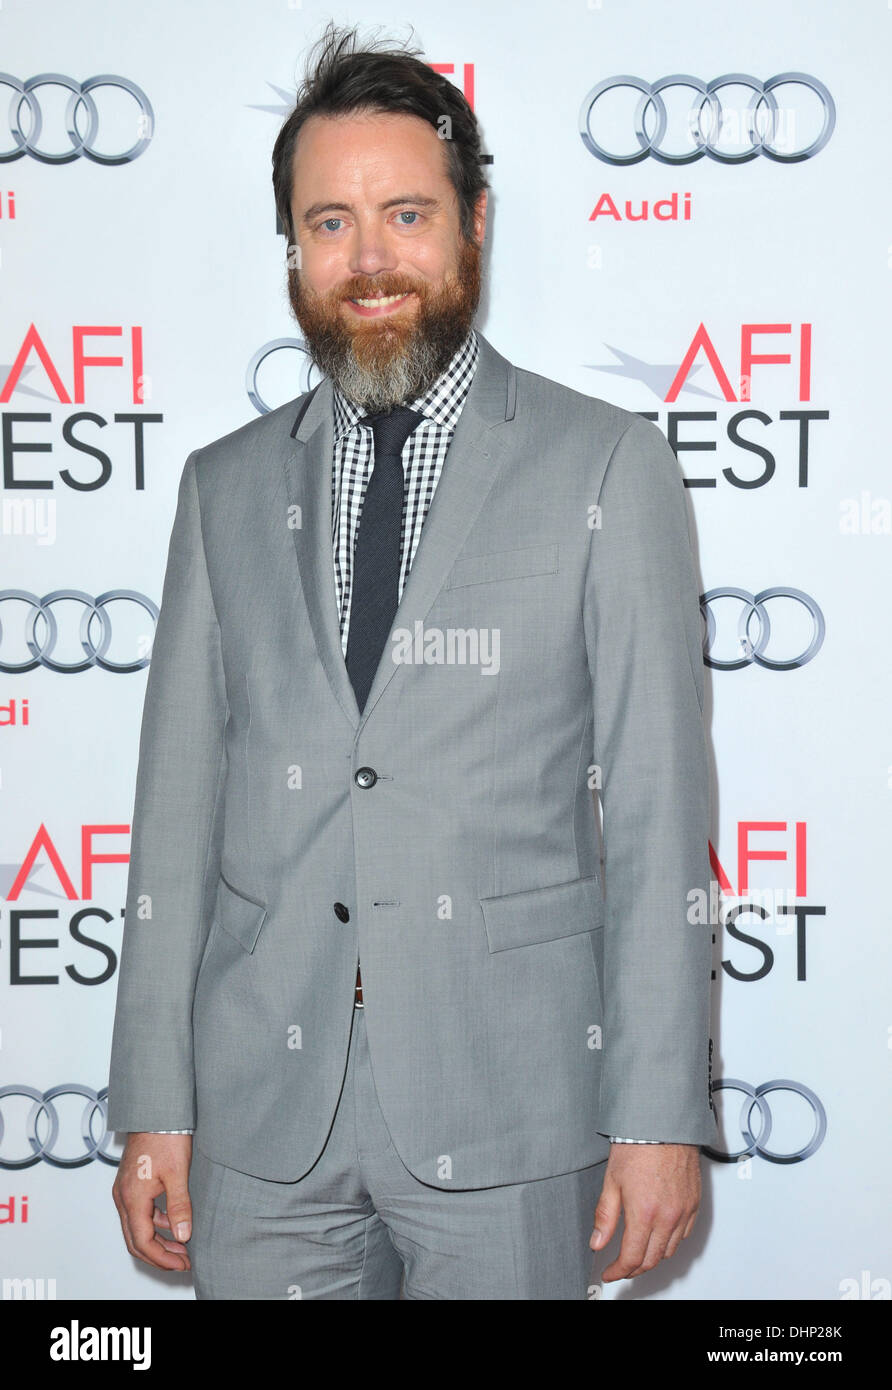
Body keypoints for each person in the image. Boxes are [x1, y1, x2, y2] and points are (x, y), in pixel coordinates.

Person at [108, 22, 716, 1301]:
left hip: (514, 1106)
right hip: (260, 1122)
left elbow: (659, 809)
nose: (369, 258)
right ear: (292, 247)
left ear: (473, 225)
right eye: (328, 223)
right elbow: (174, 818)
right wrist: (154, 1099)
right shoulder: (223, 487)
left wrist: (657, 1110)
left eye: (405, 214)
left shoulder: (606, 466)